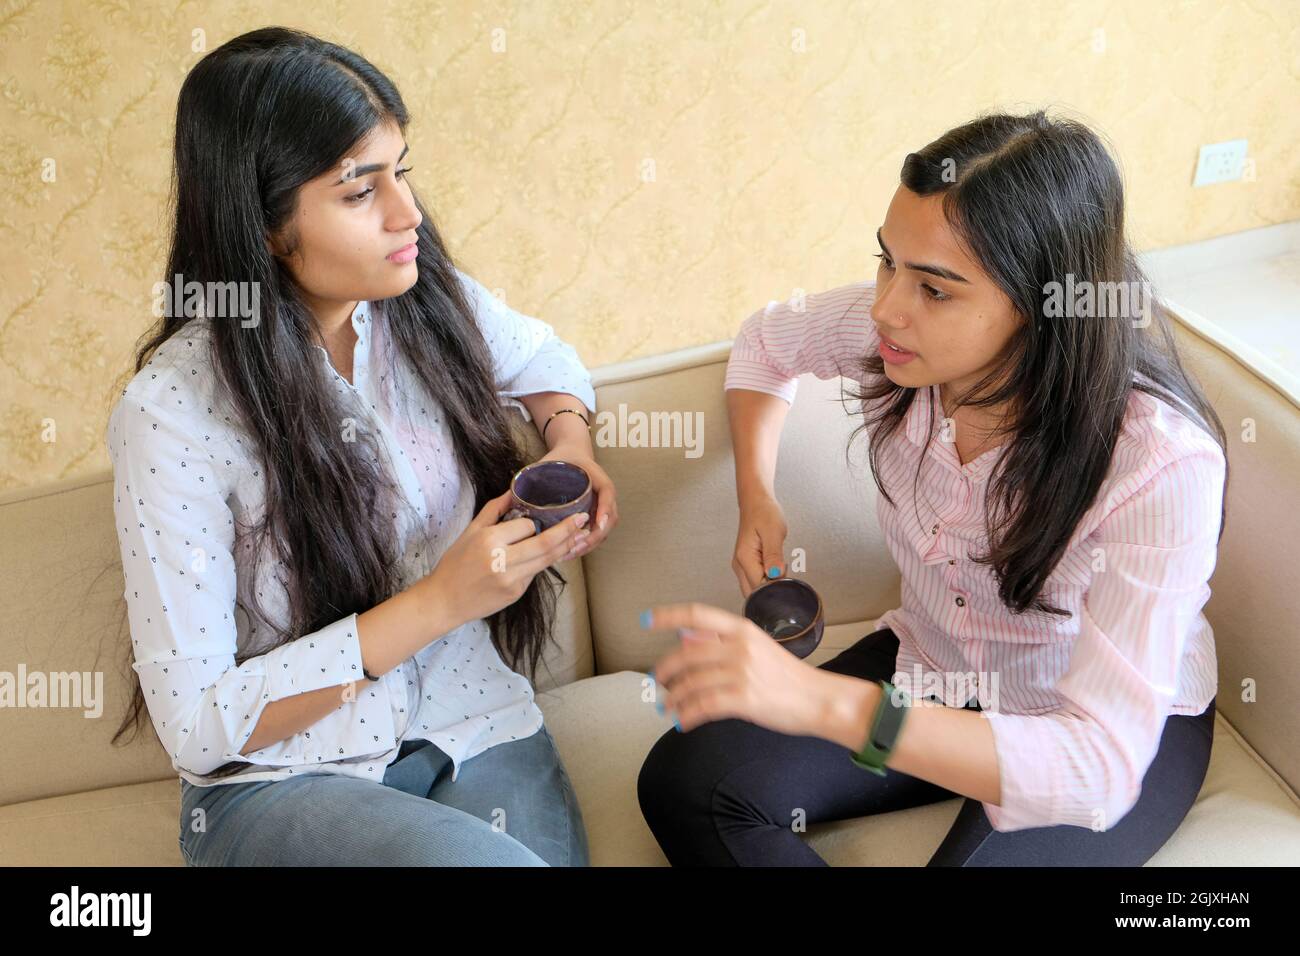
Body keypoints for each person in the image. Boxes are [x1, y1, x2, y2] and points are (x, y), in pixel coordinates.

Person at [637, 110, 1228, 866]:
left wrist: (822, 704)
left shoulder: (1160, 462)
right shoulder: (893, 340)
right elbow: (763, 341)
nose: (887, 307)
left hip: (1080, 724)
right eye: (888, 263)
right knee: (689, 781)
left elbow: (1097, 771)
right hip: (938, 671)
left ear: (1046, 305)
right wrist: (759, 496)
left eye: (935, 289)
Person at [106, 27, 618, 867]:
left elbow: (544, 359)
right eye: (358, 191)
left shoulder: (424, 301)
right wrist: (445, 600)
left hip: (470, 720)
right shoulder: (171, 413)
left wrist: (571, 439)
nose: (408, 213)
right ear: (265, 226)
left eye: (402, 170)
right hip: (283, 782)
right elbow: (197, 725)